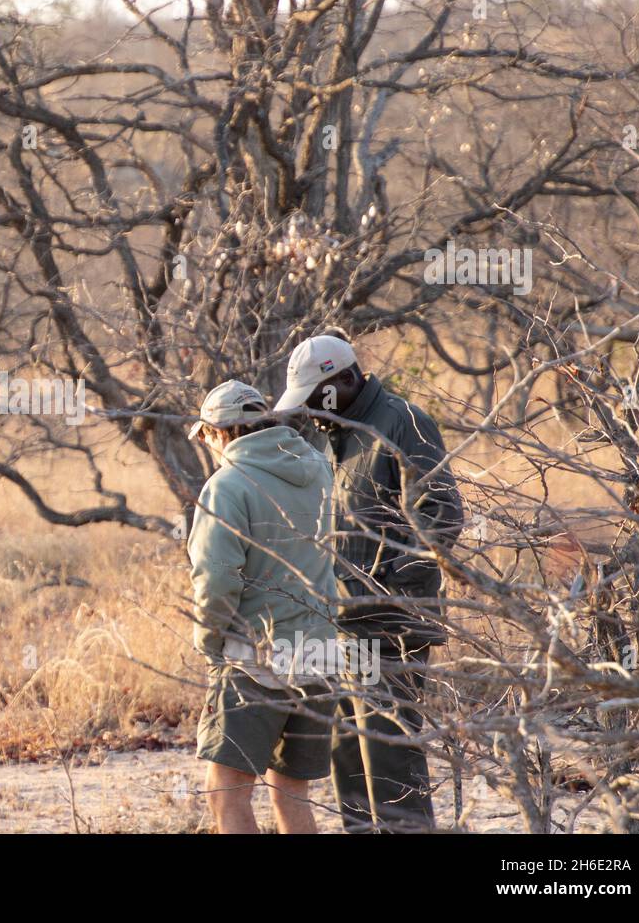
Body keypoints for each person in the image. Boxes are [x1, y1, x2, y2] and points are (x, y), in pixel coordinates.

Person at [274, 333, 464, 833]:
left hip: (391, 627)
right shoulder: (333, 432)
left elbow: (440, 518)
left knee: (390, 760)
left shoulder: (403, 421)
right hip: (341, 627)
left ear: (345, 379)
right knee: (348, 756)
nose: (311, 410)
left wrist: (388, 593)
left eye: (316, 396)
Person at [186, 379, 341, 834]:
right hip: (322, 654)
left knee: (225, 791)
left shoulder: (227, 486)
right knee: (291, 791)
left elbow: (216, 581)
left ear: (221, 431)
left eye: (208, 436)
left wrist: (211, 642)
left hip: (257, 660)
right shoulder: (317, 468)